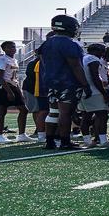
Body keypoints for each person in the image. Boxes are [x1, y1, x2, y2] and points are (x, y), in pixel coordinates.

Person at [38, 14, 91, 150]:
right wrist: (85, 84)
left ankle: (49, 141)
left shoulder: (47, 42)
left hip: (50, 81)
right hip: (67, 82)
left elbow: (43, 63)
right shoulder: (70, 43)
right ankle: (65, 141)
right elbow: (75, 66)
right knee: (65, 113)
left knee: (53, 111)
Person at [0, 41, 23, 140]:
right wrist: (9, 92)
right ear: (4, 49)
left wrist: (19, 91)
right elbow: (0, 77)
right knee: (2, 110)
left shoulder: (15, 60)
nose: (12, 49)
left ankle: (22, 135)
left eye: (13, 47)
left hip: (13, 85)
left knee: (24, 109)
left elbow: (14, 77)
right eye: (9, 47)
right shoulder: (1, 59)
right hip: (4, 86)